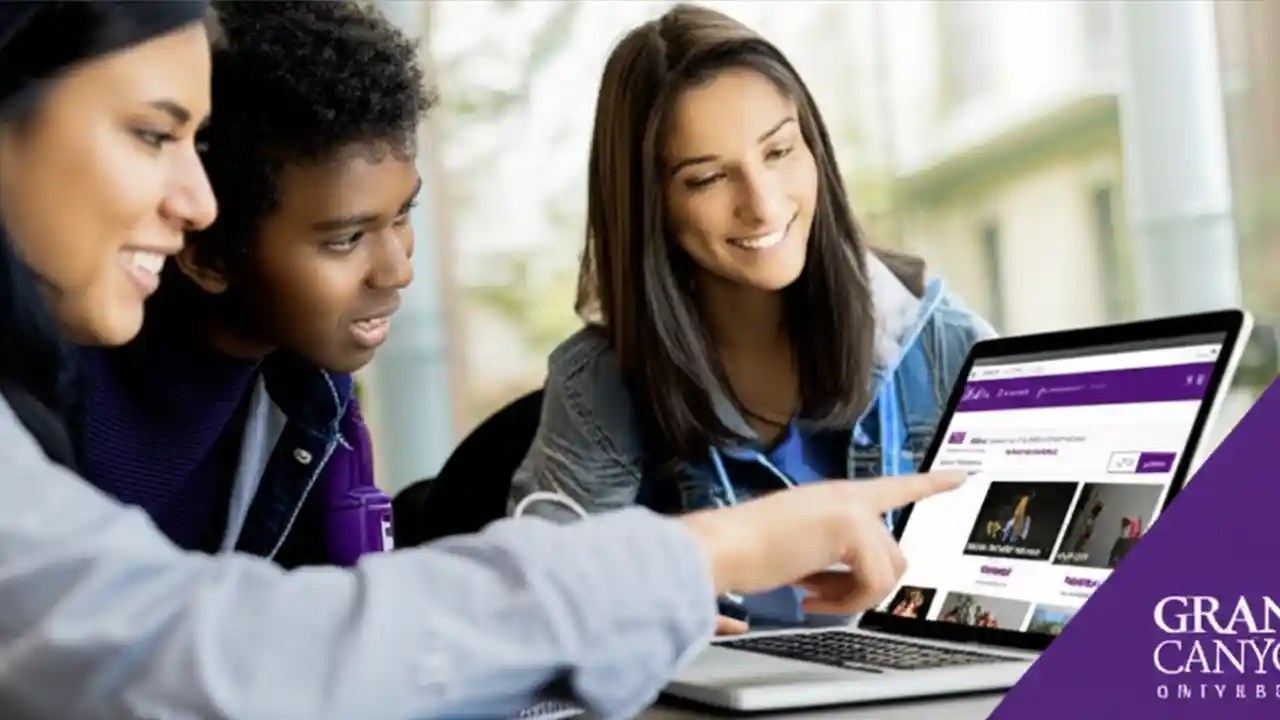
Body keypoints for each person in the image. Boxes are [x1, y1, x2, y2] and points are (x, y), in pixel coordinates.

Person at [0, 3, 964, 719]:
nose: (195, 197)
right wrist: (699, 557)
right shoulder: (599, 381)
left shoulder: (310, 405)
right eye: (152, 134)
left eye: (405, 216)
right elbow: (201, 652)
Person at [507, 3, 994, 624]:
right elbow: (536, 591)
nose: (762, 206)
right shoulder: (600, 383)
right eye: (708, 179)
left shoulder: (944, 345)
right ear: (650, 206)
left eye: (780, 151)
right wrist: (633, 610)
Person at [73, 0, 425, 569]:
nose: (398, 269)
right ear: (208, 254)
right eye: (345, 239)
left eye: (403, 215)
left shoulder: (318, 410)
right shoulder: (50, 388)